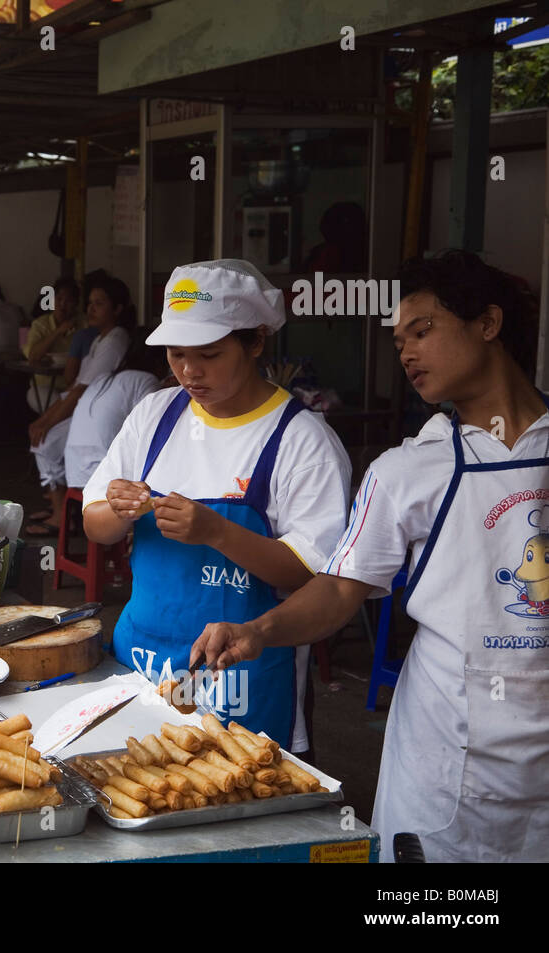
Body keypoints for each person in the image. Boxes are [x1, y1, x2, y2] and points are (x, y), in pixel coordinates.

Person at [191, 250, 548, 860]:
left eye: (424, 330)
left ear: (488, 324)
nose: (406, 352)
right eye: (398, 339)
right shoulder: (407, 471)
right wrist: (258, 629)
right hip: (446, 756)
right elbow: (337, 589)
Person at [83, 260, 350, 754]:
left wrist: (216, 532)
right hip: (144, 663)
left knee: (237, 791)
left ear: (255, 343)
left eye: (208, 354)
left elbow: (314, 578)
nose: (189, 371)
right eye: (177, 353)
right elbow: (95, 525)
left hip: (242, 682)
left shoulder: (302, 441)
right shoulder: (155, 415)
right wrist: (118, 509)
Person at [25, 276, 135, 536]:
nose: (91, 309)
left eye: (99, 304)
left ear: (117, 309)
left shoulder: (116, 339)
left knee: (46, 441)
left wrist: (47, 424)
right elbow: (71, 388)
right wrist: (42, 420)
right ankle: (61, 509)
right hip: (85, 406)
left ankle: (62, 515)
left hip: (100, 414)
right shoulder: (99, 339)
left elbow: (80, 390)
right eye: (89, 303)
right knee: (43, 437)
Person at [63, 332, 165, 489]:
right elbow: (153, 429)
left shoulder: (102, 378)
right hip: (104, 478)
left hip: (73, 473)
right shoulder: (145, 380)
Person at [23, 276, 80, 412]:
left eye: (68, 301)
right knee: (61, 408)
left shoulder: (83, 324)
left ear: (76, 304)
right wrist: (58, 331)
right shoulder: (40, 325)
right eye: (59, 299)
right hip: (44, 386)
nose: (62, 304)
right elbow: (33, 356)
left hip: (75, 385)